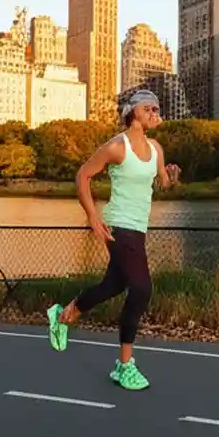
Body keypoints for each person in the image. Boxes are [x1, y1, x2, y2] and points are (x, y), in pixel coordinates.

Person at [45, 89, 180, 391]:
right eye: (150, 108)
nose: (156, 112)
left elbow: (163, 185)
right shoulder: (117, 147)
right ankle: (125, 365)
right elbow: (83, 176)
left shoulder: (156, 148)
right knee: (142, 289)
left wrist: (172, 177)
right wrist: (93, 217)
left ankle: (63, 314)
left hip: (139, 228)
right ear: (134, 112)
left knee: (114, 285)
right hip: (119, 226)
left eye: (158, 108)